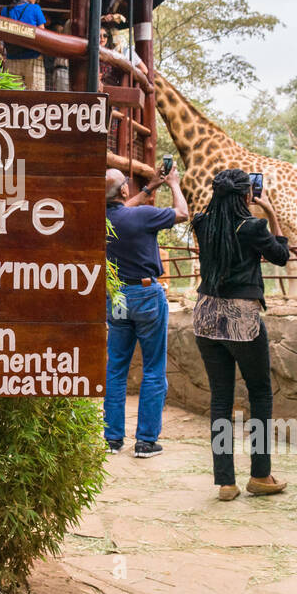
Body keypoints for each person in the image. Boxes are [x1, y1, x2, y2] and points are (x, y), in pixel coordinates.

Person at [192, 169, 291, 500]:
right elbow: (281, 256)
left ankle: (225, 482)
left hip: (206, 316)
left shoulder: (203, 223)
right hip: (241, 319)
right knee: (259, 393)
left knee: (221, 397)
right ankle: (260, 475)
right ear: (247, 196)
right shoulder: (252, 227)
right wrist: (272, 213)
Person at [104, 164, 189, 458]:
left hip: (116, 296)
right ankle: (146, 441)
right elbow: (182, 214)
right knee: (153, 368)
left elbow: (121, 210)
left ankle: (112, 439)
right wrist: (174, 184)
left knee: (116, 368)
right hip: (146, 295)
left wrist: (150, 187)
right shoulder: (140, 215)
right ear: (124, 190)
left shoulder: (101, 219)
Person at [0, 0, 48, 90]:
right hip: (33, 59)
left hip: (11, 59)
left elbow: (1, 36)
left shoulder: (5, 11)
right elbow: (43, 33)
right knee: (36, 97)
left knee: (12, 97)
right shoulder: (35, 9)